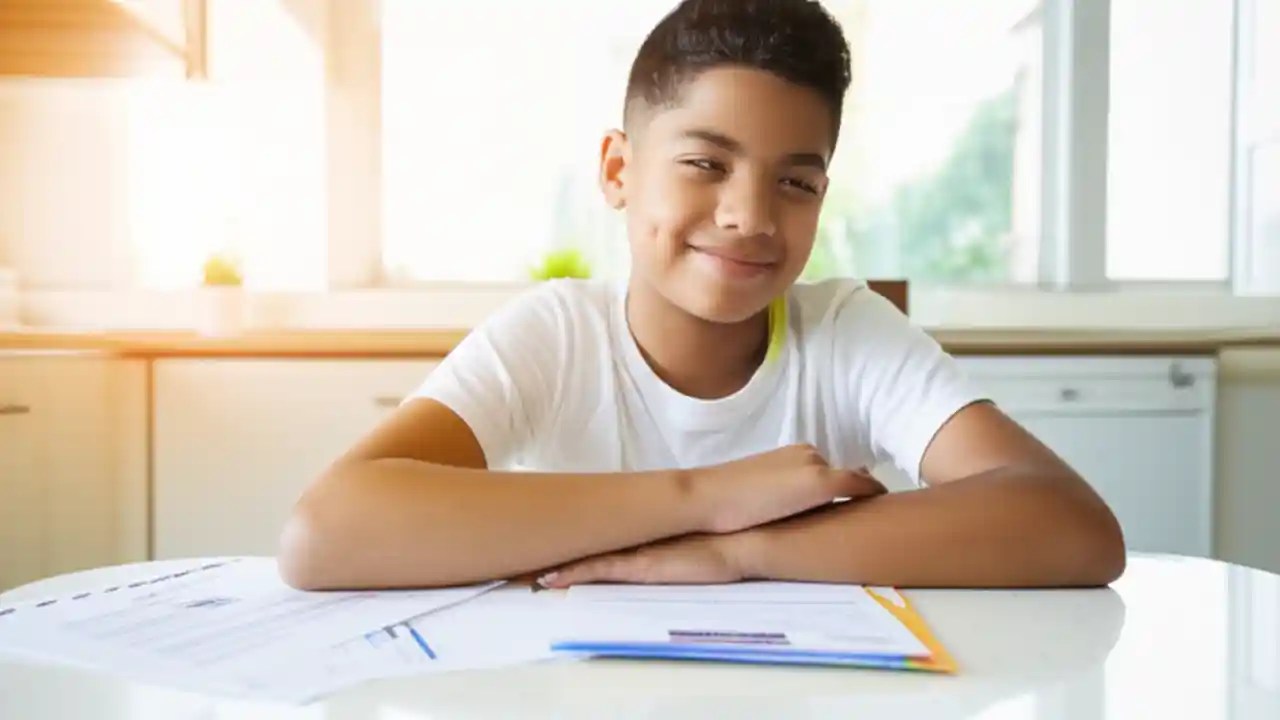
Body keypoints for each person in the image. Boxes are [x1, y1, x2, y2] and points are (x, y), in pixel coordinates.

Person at [278, 0, 1125, 591]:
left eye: (795, 180)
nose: (750, 217)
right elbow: (325, 534)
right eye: (705, 163)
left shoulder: (849, 333)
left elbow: (1073, 527)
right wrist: (707, 495)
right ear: (619, 170)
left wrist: (742, 551)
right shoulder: (556, 335)